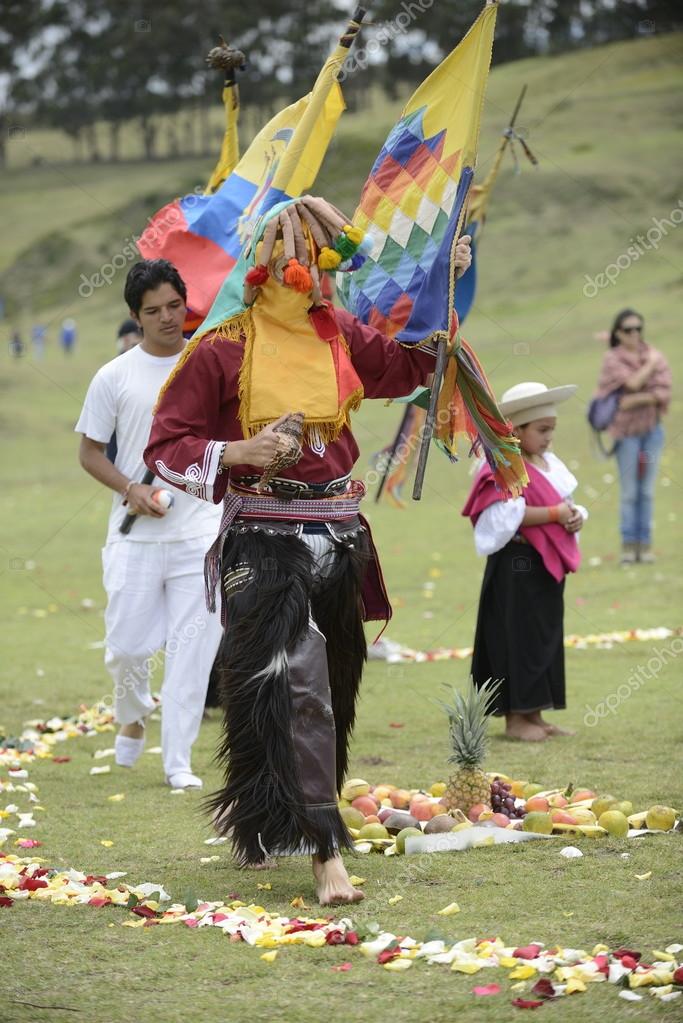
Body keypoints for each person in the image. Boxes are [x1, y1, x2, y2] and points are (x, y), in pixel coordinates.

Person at [143, 197, 480, 904]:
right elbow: (165, 446)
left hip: (340, 535)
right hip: (262, 540)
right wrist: (237, 451)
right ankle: (325, 851)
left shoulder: (340, 335)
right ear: (265, 268)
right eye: (299, 265)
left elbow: (410, 367)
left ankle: (261, 820)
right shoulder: (222, 347)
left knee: (331, 688)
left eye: (322, 267)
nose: (314, 281)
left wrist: (446, 283)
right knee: (290, 687)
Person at [75, 259, 223, 789]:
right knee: (127, 649)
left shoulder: (210, 364)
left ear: (187, 305)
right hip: (134, 535)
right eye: (154, 310)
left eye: (175, 306)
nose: (167, 318)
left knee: (192, 651)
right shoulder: (114, 376)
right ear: (135, 316)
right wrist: (130, 489)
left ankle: (177, 762)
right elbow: (90, 453)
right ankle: (133, 713)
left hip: (200, 531)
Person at [462, 382, 587, 742]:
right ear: (516, 430)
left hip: (546, 564)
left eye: (552, 429)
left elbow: (565, 501)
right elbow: (504, 516)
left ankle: (536, 712)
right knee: (516, 637)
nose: (549, 438)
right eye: (542, 430)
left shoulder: (549, 464)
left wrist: (574, 515)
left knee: (542, 638)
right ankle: (516, 718)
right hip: (516, 564)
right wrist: (556, 513)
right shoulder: (502, 468)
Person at [595, 309, 671, 564]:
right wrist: (649, 370)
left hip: (652, 431)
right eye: (629, 329)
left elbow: (664, 392)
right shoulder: (613, 359)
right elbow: (630, 384)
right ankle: (628, 547)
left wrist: (636, 399)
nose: (635, 334)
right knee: (629, 492)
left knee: (646, 491)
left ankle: (644, 546)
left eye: (639, 328)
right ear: (618, 333)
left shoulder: (654, 355)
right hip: (625, 434)